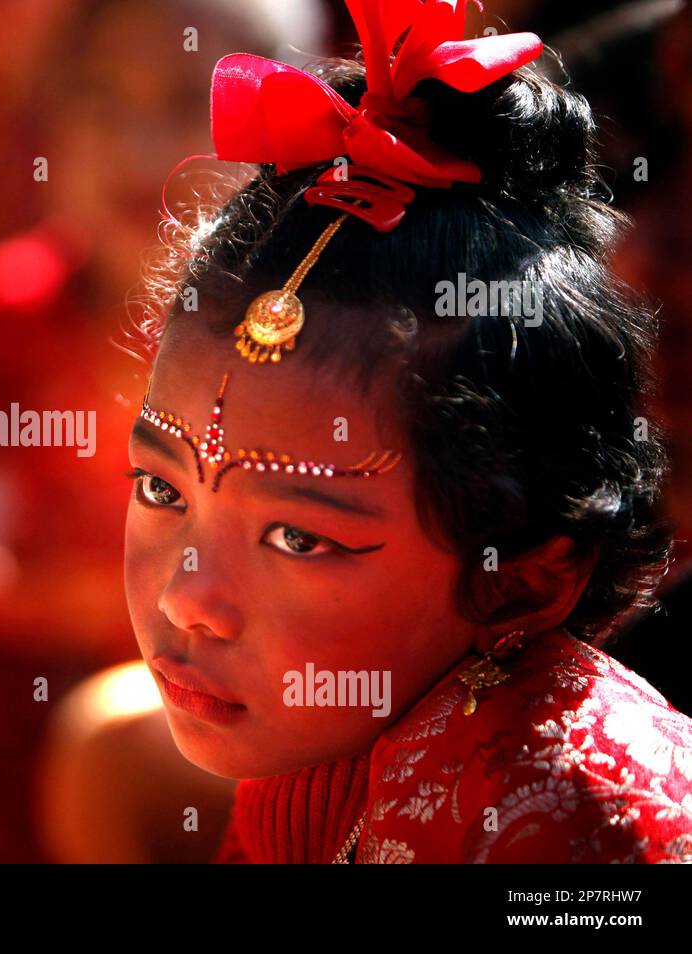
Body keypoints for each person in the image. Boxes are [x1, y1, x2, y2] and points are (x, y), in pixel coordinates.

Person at [124, 0, 692, 863]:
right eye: (163, 489)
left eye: (296, 537)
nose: (185, 601)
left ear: (518, 586)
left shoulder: (571, 818)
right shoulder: (320, 739)